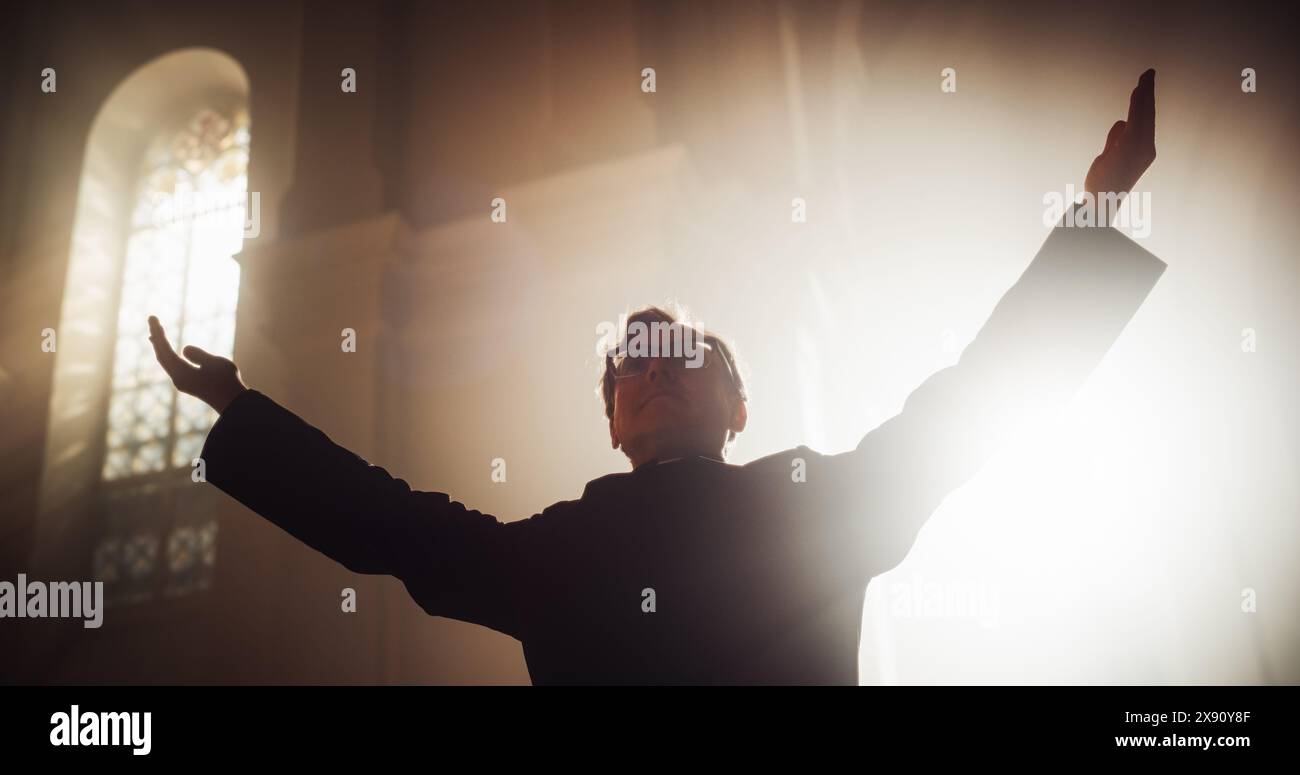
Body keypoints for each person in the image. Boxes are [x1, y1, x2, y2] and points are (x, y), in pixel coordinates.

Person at [147, 70, 1164, 684]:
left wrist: (1096, 215)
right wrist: (244, 414)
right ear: (612, 423)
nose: (656, 371)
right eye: (631, 367)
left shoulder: (815, 504)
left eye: (687, 360)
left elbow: (972, 404)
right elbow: (389, 524)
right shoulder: (555, 551)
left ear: (738, 407)